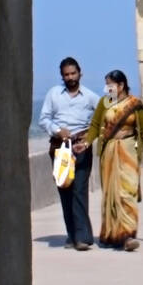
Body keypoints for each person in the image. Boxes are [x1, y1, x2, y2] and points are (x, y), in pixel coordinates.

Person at [83, 70, 143, 251]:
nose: (107, 89)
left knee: (127, 191)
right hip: (109, 153)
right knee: (111, 194)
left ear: (121, 86)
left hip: (128, 151)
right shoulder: (105, 103)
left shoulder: (135, 105)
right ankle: (113, 234)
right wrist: (86, 143)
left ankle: (127, 235)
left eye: (110, 85)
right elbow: (95, 126)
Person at [39, 57, 100, 251]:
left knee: (79, 190)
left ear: (80, 73)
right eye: (66, 74)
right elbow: (44, 119)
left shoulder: (90, 97)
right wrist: (57, 130)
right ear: (62, 76)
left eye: (73, 73)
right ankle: (72, 235)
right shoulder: (54, 94)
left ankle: (82, 237)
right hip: (59, 148)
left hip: (81, 146)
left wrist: (90, 134)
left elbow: (102, 117)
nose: (70, 77)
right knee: (65, 191)